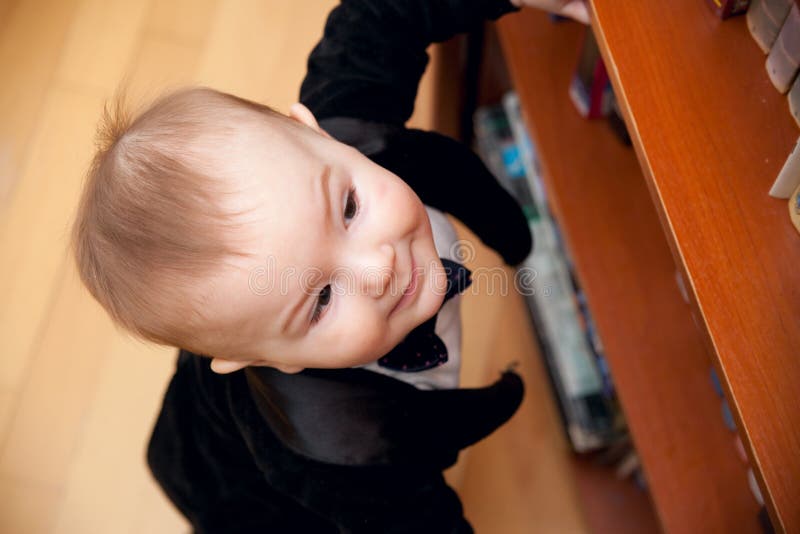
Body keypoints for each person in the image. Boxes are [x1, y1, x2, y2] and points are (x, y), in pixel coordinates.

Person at [70, 0, 586, 532]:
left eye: (349, 209)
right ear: (261, 358)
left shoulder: (346, 125)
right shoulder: (339, 453)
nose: (378, 270)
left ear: (316, 134)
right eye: (320, 299)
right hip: (250, 493)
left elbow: (383, 14)